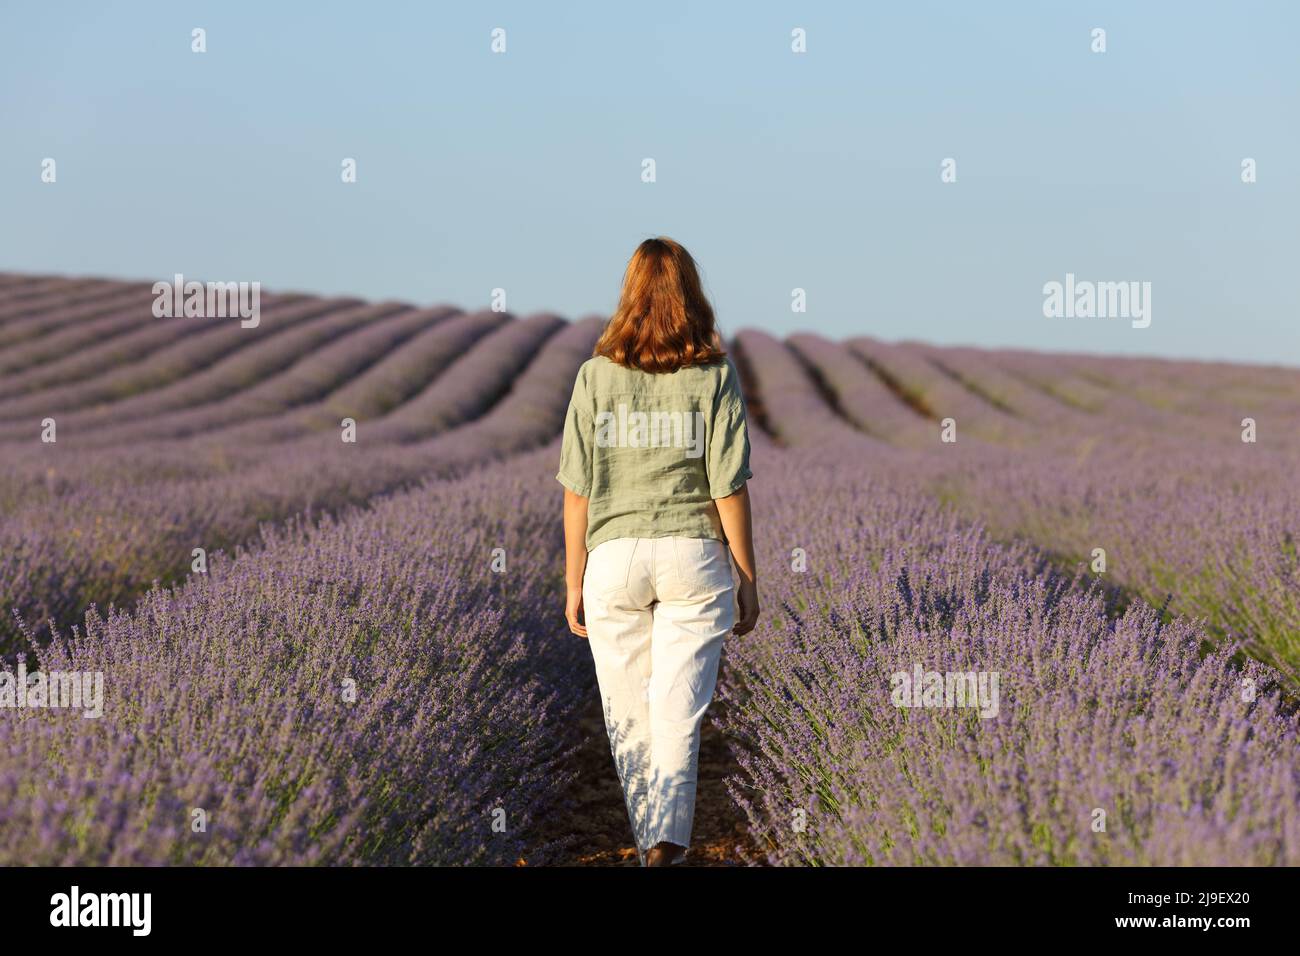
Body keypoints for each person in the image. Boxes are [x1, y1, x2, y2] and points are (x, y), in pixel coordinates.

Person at [556, 236, 760, 867]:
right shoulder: (715, 376)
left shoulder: (595, 377)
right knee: (677, 713)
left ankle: (653, 845)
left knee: (627, 717)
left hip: (613, 559)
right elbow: (728, 485)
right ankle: (665, 849)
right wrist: (747, 576)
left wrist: (573, 582)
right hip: (694, 557)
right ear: (691, 296)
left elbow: (576, 489)